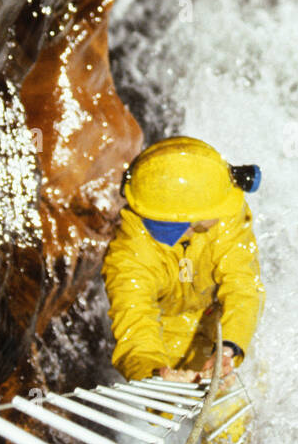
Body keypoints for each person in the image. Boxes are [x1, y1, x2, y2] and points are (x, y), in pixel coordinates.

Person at [102, 136, 264, 393]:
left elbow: (242, 284)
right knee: (165, 404)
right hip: (166, 335)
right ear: (186, 224)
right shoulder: (128, 256)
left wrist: (229, 348)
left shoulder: (223, 206)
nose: (221, 215)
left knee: (231, 413)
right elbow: (136, 325)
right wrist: (154, 375)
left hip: (221, 324)